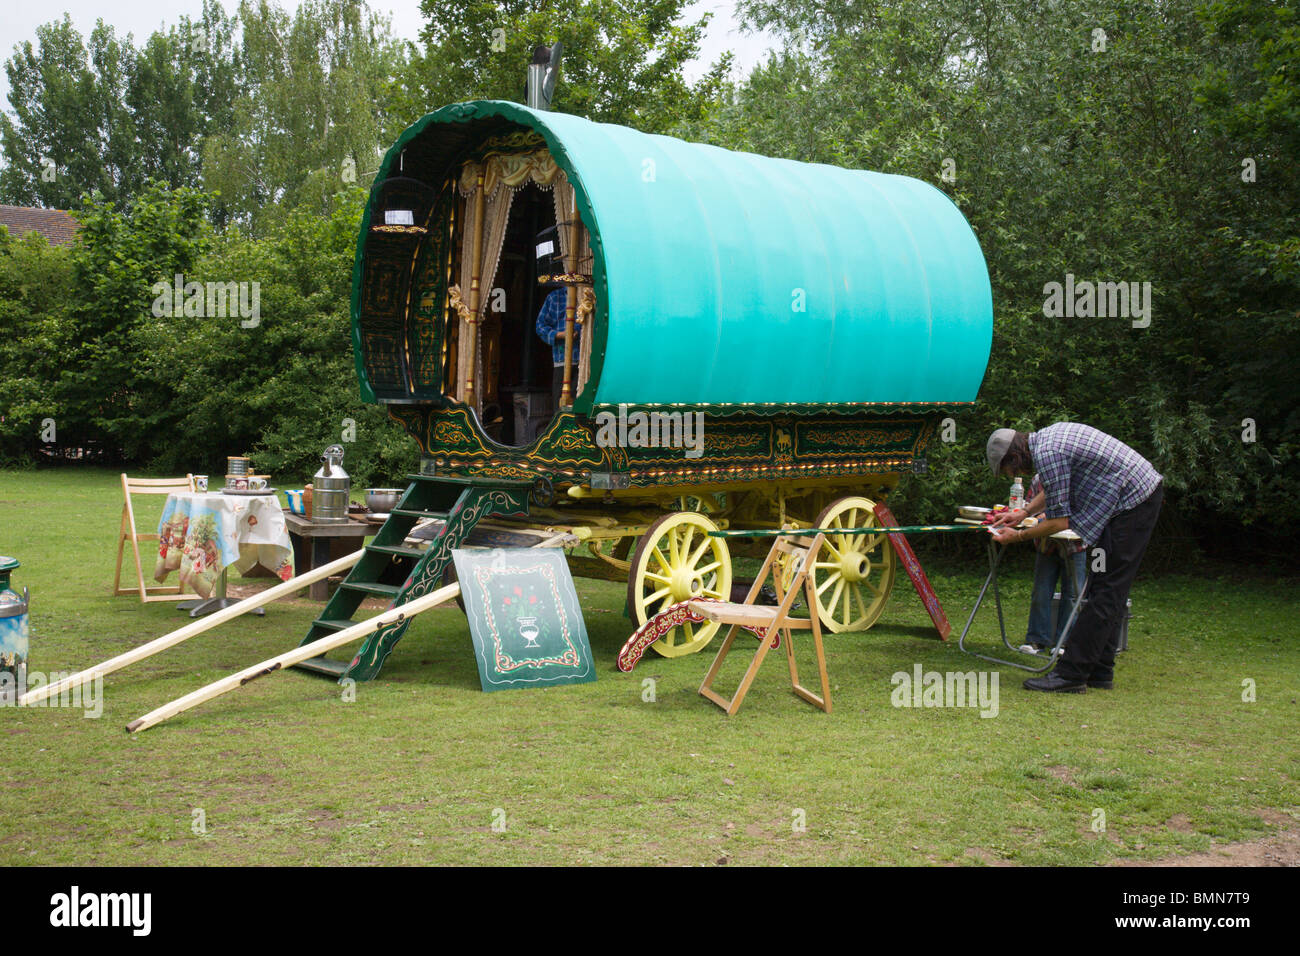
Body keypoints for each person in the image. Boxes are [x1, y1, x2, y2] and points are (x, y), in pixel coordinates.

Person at [985, 423, 1163, 692]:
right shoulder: (1047, 443)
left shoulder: (1049, 452)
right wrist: (1022, 513)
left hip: (1134, 502)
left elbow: (1058, 522)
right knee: (1103, 587)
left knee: (1107, 590)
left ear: (1014, 456)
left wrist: (1018, 536)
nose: (1016, 475)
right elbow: (1055, 492)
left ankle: (1071, 675)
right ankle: (1100, 671)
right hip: (1130, 501)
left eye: (1010, 469)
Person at [1019, 473, 1087, 655]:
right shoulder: (1037, 479)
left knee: (1072, 595)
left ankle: (1064, 643)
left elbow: (1083, 510)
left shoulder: (1079, 478)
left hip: (1075, 545)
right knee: (1041, 592)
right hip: (1046, 545)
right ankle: (1036, 640)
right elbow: (1028, 511)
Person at [535, 286, 579, 412]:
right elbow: (540, 326)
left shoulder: (591, 294)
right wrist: (561, 335)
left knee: (581, 407)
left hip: (588, 361)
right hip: (563, 360)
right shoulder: (555, 297)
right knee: (560, 407)